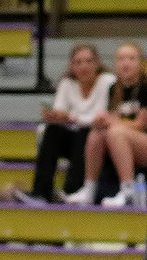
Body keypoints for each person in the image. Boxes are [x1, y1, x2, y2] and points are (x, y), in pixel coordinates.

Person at [74, 43, 147, 209]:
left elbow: (141, 125)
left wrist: (112, 122)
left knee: (116, 132)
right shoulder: (114, 89)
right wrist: (102, 121)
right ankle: (89, 188)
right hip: (125, 143)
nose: (125, 63)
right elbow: (113, 119)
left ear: (142, 64)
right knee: (97, 132)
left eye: (131, 58)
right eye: (121, 59)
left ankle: (128, 191)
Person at [33, 43, 113, 202]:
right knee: (53, 130)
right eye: (78, 62)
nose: (84, 66)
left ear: (97, 64)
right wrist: (53, 116)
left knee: (85, 133)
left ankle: (72, 190)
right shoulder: (66, 83)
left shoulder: (108, 82)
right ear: (71, 66)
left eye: (89, 61)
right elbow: (60, 114)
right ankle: (41, 192)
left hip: (99, 141)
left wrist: (71, 117)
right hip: (76, 138)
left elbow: (100, 120)